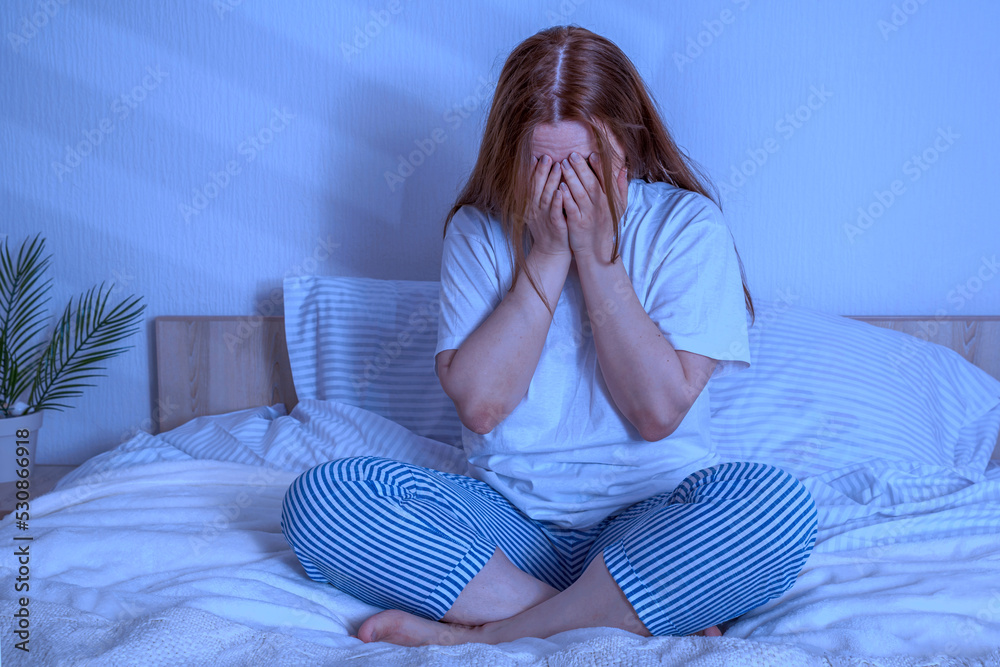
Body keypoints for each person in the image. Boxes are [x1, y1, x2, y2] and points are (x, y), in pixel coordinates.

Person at [281, 25, 818, 647]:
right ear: (510, 157)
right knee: (324, 499)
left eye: (587, 165)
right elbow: (482, 407)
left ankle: (479, 638)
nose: (565, 187)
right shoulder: (479, 233)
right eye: (543, 164)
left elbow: (657, 412)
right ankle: (614, 610)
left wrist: (598, 260)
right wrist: (544, 258)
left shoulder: (687, 228)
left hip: (649, 523)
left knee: (778, 510)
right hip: (508, 528)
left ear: (629, 153)